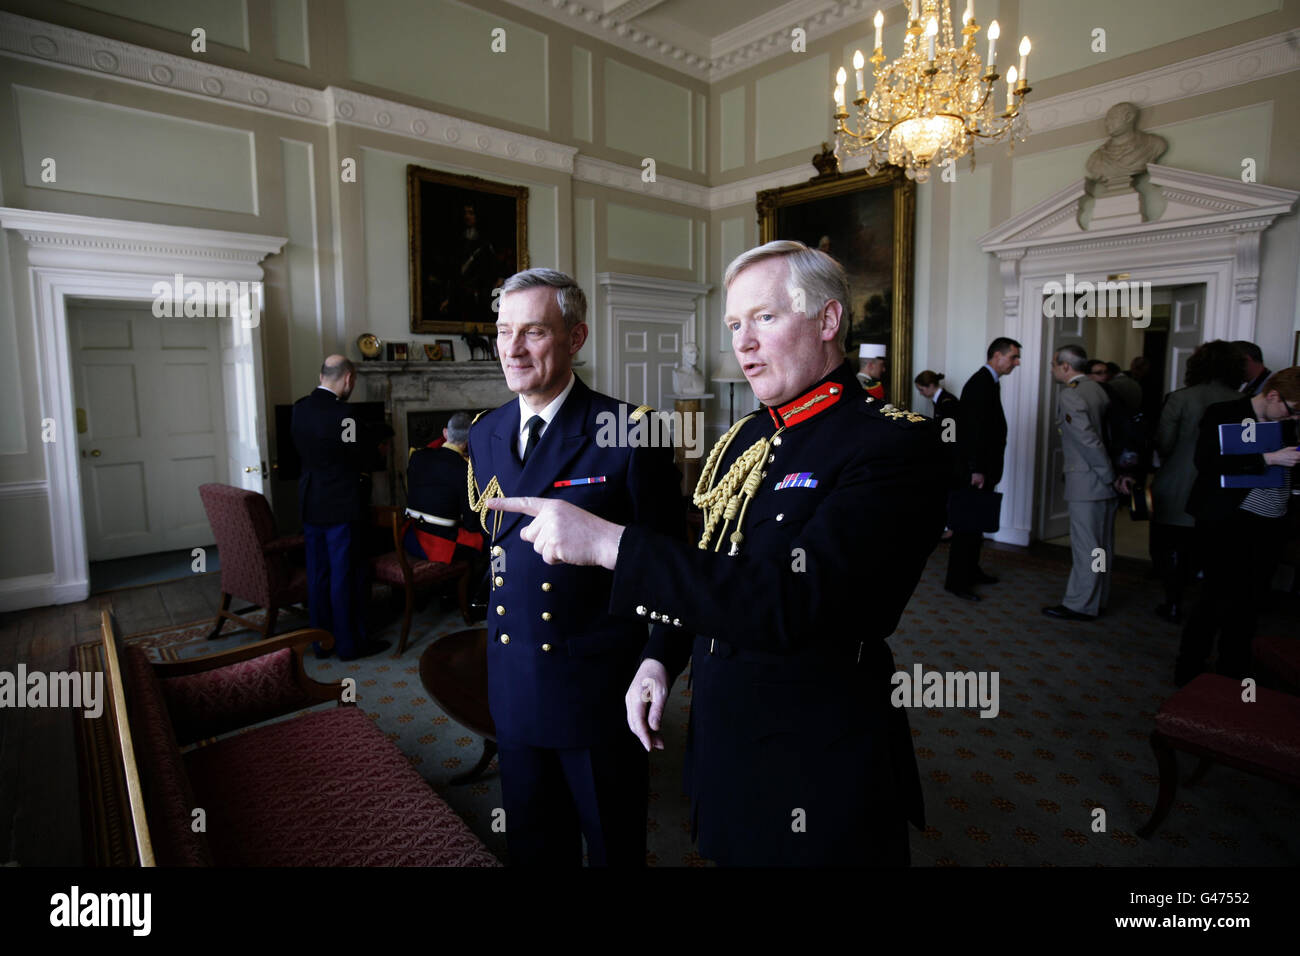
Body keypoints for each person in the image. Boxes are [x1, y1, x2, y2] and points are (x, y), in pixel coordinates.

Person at [488, 240, 948, 866]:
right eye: (734, 324)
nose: (743, 342)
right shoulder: (747, 438)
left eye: (764, 318)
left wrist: (608, 543)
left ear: (828, 321)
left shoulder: (890, 444)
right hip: (724, 733)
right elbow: (711, 565)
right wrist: (662, 658)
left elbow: (793, 599)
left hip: (817, 747)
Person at [465, 268, 684, 867]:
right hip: (513, 686)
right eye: (504, 331)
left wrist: (661, 657)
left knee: (614, 850)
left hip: (595, 695)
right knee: (537, 850)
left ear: (576, 337)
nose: (511, 349)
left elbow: (669, 566)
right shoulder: (487, 433)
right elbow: (498, 546)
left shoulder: (632, 431)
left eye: (532, 331)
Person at [1174, 367, 1300, 685]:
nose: (1292, 418)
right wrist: (1267, 460)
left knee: (1251, 600)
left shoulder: (1285, 421)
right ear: (1273, 395)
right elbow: (1207, 463)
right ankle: (1189, 668)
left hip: (1272, 520)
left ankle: (1233, 668)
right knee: (1215, 597)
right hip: (1228, 518)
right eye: (1292, 410)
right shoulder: (1225, 412)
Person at [291, 355, 390, 661]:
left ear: (322, 375)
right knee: (345, 576)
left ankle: (322, 642)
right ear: (348, 379)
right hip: (343, 506)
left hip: (311, 502)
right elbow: (366, 459)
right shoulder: (346, 414)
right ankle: (351, 645)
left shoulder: (299, 409)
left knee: (318, 575)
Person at [1148, 341, 1244, 623]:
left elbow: (1164, 443)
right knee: (1210, 546)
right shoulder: (1243, 399)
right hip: (1222, 484)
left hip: (1179, 479)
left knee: (1171, 545)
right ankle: (1207, 601)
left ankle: (1174, 601)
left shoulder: (1181, 398)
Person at [1042, 345, 1133, 622]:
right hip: (1102, 480)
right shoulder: (1099, 389)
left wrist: (1108, 476)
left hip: (1089, 481)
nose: (1052, 369)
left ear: (1066, 367)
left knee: (1087, 548)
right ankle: (1097, 598)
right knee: (1101, 546)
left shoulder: (1072, 394)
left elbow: (1087, 441)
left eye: (1054, 364)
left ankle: (1080, 604)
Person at [945, 337, 1021, 602]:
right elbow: (972, 432)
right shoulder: (980, 383)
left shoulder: (989, 382)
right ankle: (957, 581)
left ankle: (972, 571)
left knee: (975, 524)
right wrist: (975, 469)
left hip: (984, 469)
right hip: (976, 470)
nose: (1017, 362)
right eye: (1013, 357)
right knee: (967, 526)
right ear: (997, 356)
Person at [403, 411, 484, 567]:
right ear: (469, 441)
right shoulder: (464, 470)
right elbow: (471, 524)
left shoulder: (417, 456)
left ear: (445, 433)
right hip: (436, 546)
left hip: (410, 537)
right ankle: (474, 590)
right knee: (490, 541)